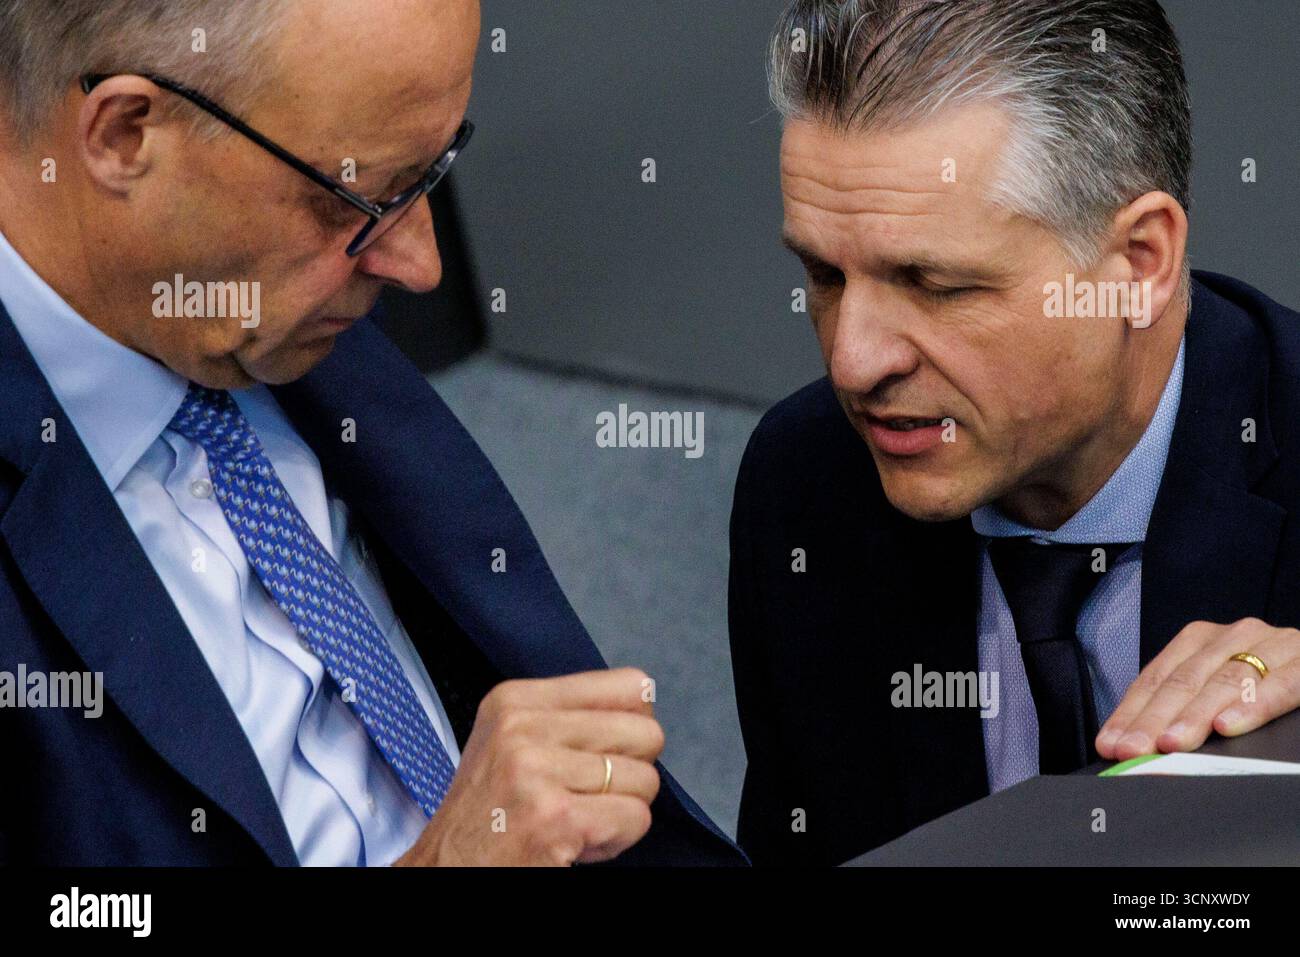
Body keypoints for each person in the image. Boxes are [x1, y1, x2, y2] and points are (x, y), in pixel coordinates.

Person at [0, 0, 741, 867]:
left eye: (431, 176)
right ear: (126, 134)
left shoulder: (259, 300)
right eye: (367, 198)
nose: (420, 265)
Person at [729, 0, 1300, 866]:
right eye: (823, 273)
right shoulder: (802, 484)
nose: (852, 362)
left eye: (935, 285)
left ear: (1138, 263)